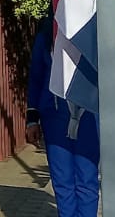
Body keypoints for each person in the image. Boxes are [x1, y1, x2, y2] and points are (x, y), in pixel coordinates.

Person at [26, 17, 100, 217]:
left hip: (89, 115)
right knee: (63, 181)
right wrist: (32, 118)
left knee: (87, 178)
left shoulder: (96, 31)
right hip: (55, 115)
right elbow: (36, 77)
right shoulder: (47, 35)